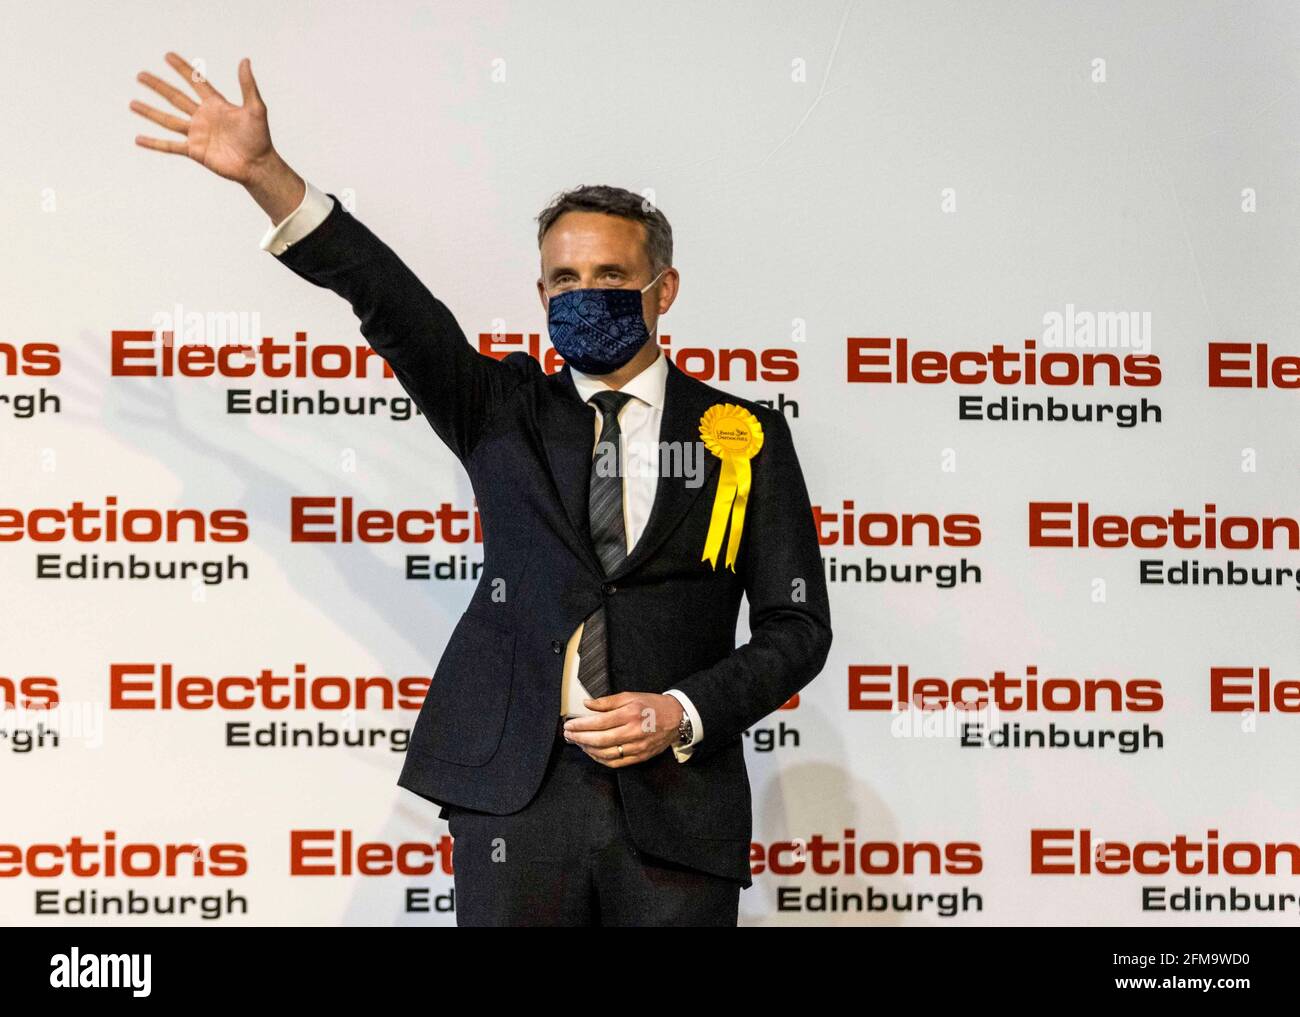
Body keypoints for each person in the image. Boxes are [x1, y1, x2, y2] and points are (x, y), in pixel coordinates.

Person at [131, 52, 832, 926]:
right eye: (564, 281)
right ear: (540, 291)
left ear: (665, 290)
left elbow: (798, 626)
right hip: (516, 798)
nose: (585, 296)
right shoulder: (499, 408)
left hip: (678, 808)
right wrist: (271, 176)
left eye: (611, 278)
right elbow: (388, 300)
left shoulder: (748, 434)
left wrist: (682, 711)